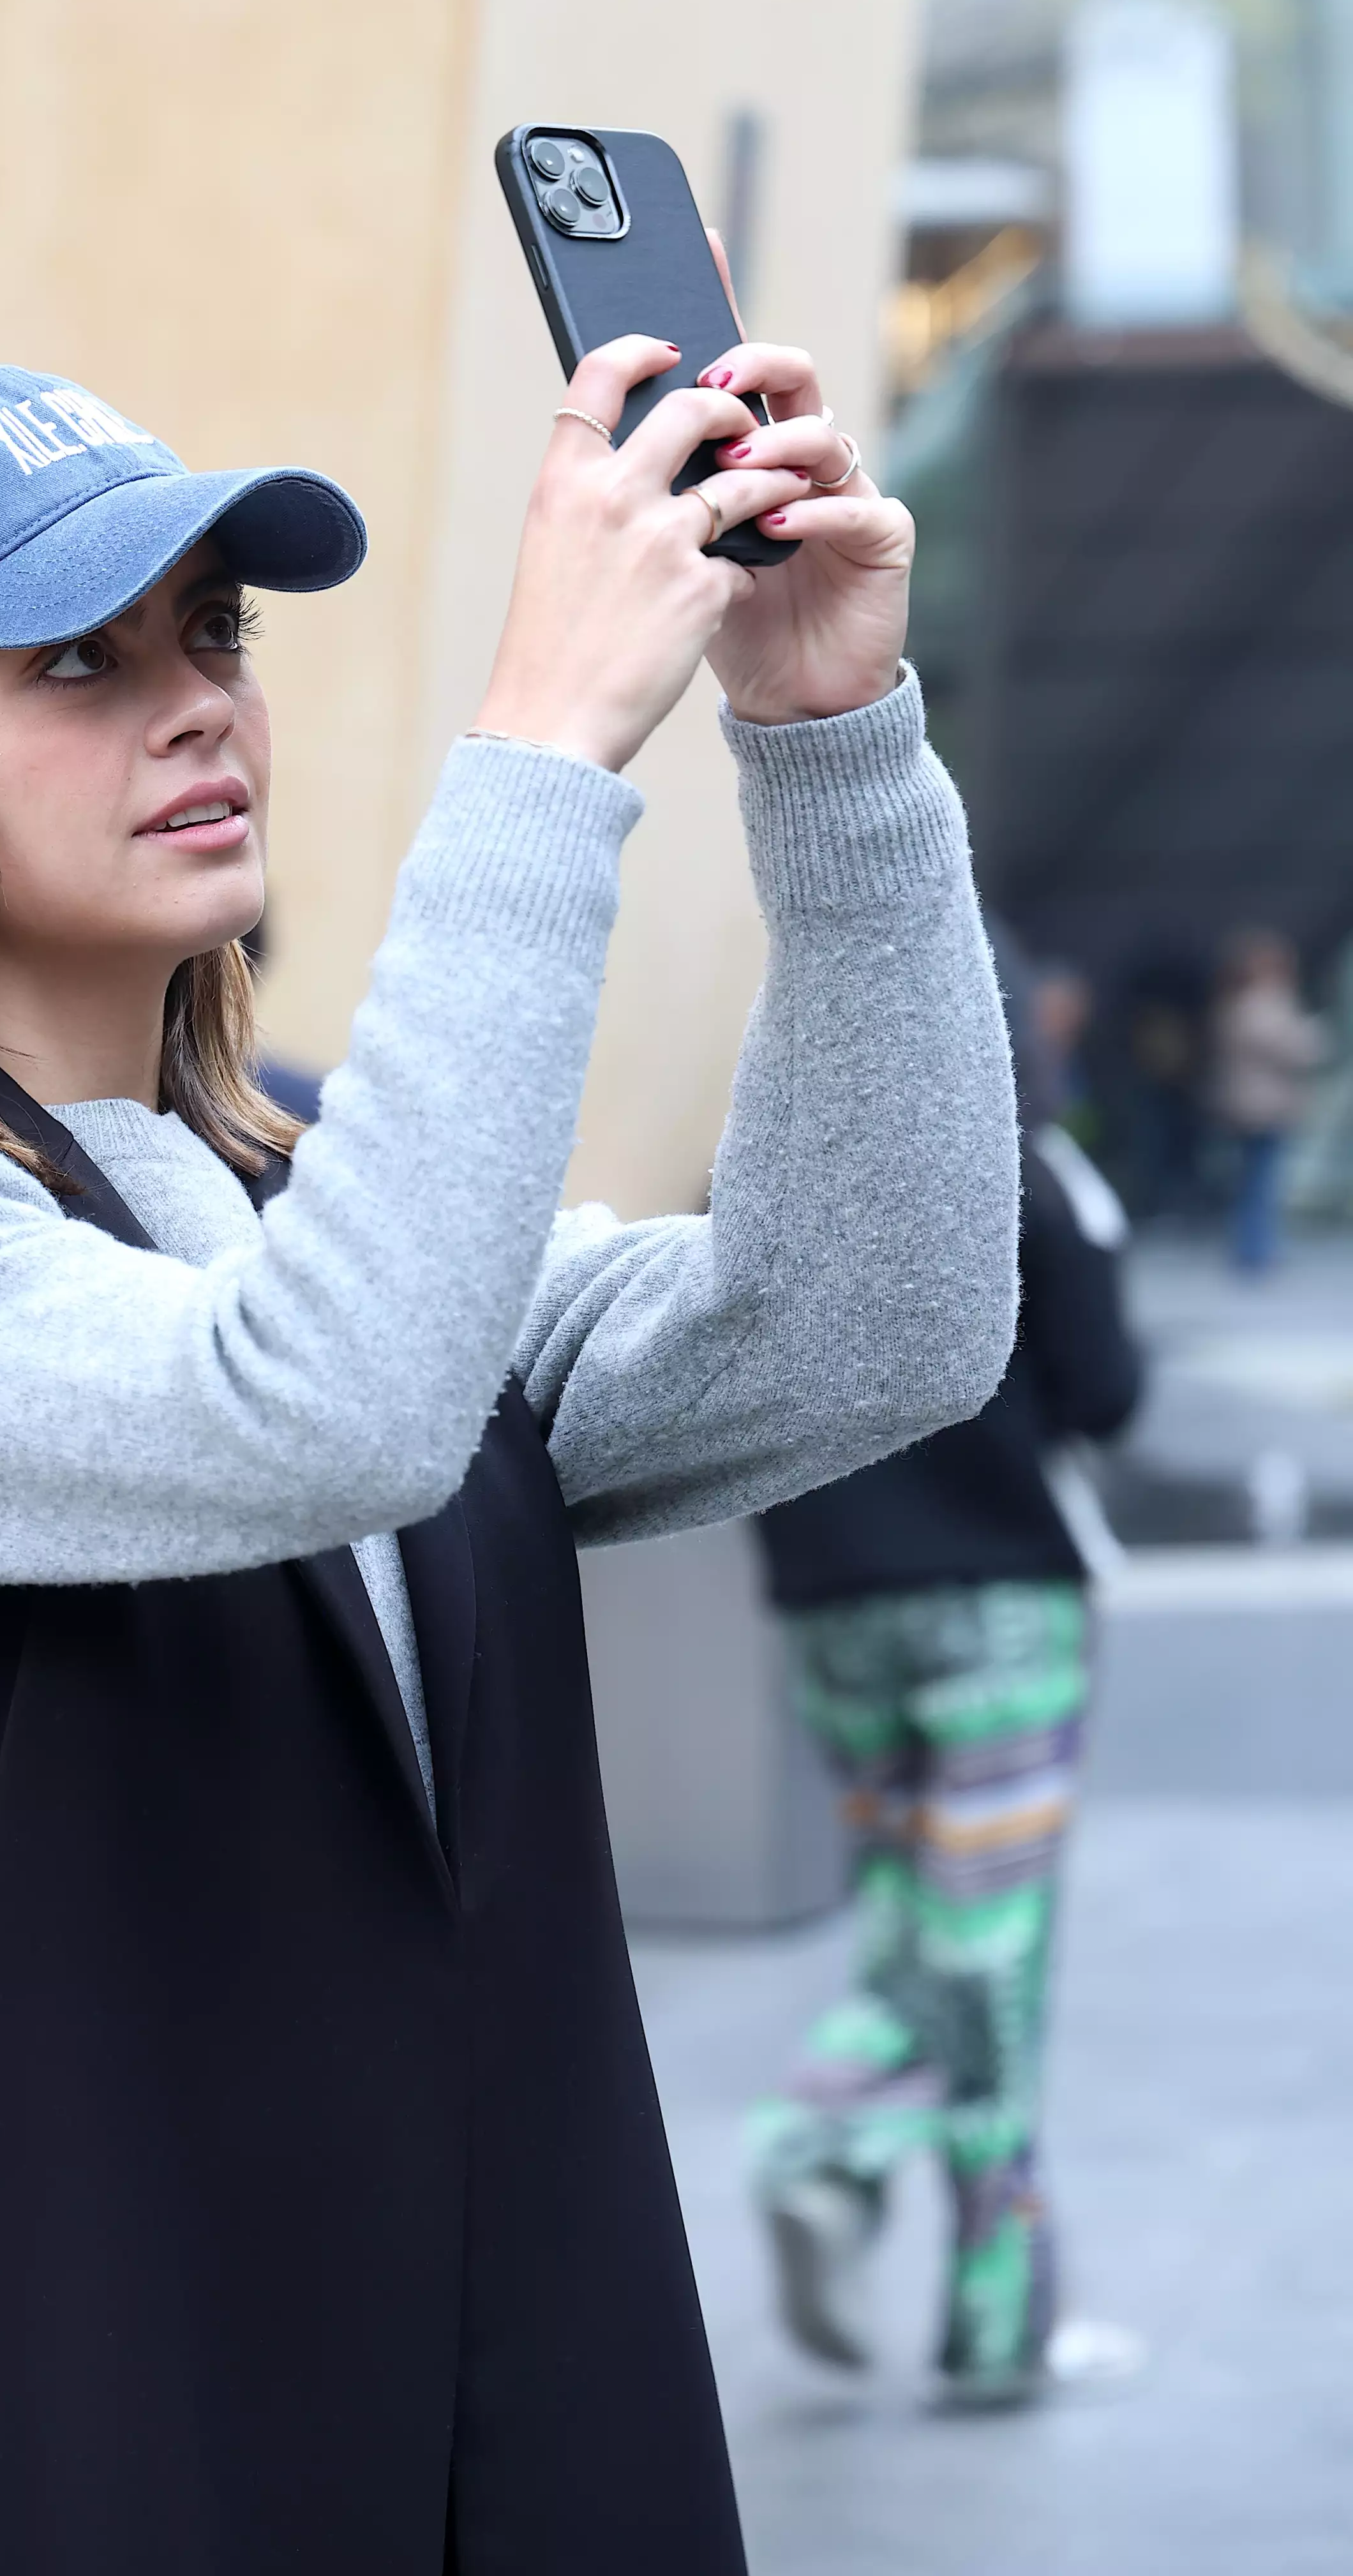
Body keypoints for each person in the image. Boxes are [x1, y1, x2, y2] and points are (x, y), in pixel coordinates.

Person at [0, 323, 1018, 2575]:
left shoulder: (329, 1203)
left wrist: (830, 740)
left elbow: (876, 1323)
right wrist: (547, 740)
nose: (196, 704)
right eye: (76, 660)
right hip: (63, 2454)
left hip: (509, 2431)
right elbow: (331, 1403)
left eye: (216, 636)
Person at [749, 931, 1142, 2408]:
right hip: (998, 1612)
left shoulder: (777, 1176)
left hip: (830, 1605)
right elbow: (1108, 1389)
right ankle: (934, 2254)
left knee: (917, 1918)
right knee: (992, 1957)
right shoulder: (1034, 1171)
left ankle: (869, 2180)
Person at [1206, 927, 1327, 1273]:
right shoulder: (1262, 1002)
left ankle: (1255, 1249)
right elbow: (1293, 1048)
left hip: (1252, 1105)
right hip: (1263, 1107)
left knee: (1255, 1180)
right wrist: (1310, 1037)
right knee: (1261, 1183)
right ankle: (1256, 1251)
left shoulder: (1238, 1000)